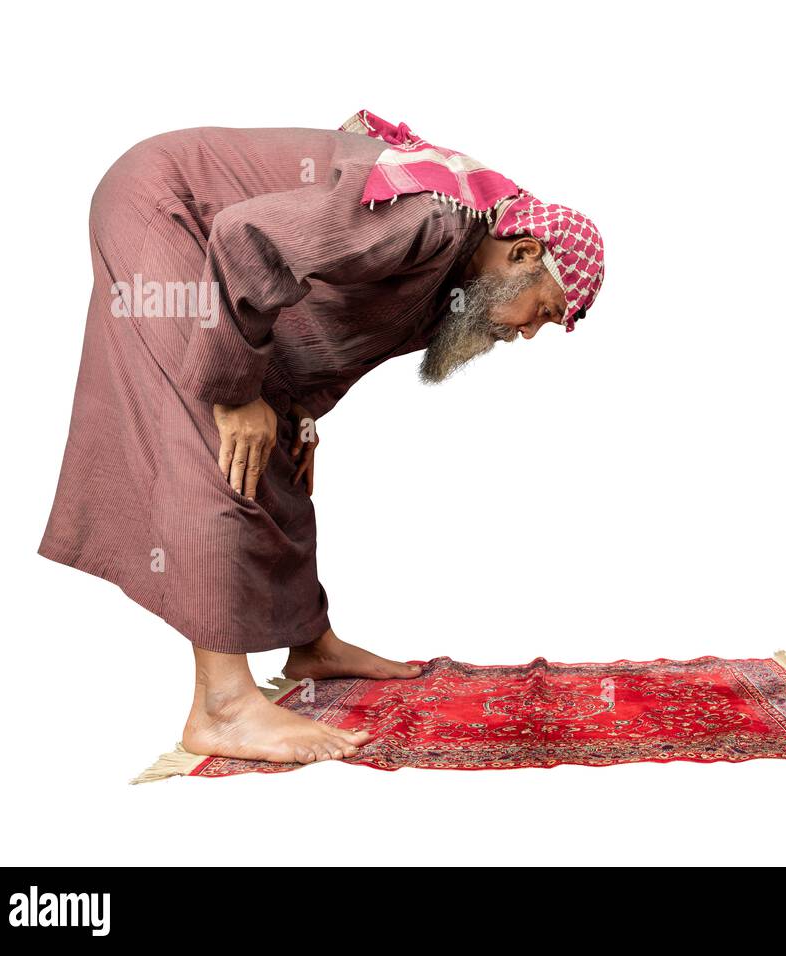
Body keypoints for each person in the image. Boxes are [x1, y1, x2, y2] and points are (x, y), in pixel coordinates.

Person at [39, 111, 605, 764]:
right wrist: (238, 390)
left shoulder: (452, 283)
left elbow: (332, 333)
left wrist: (296, 412)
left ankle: (310, 644)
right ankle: (221, 708)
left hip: (219, 254)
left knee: (275, 442)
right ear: (526, 253)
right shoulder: (433, 218)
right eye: (543, 312)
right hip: (164, 205)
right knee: (211, 427)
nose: (529, 333)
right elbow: (246, 237)